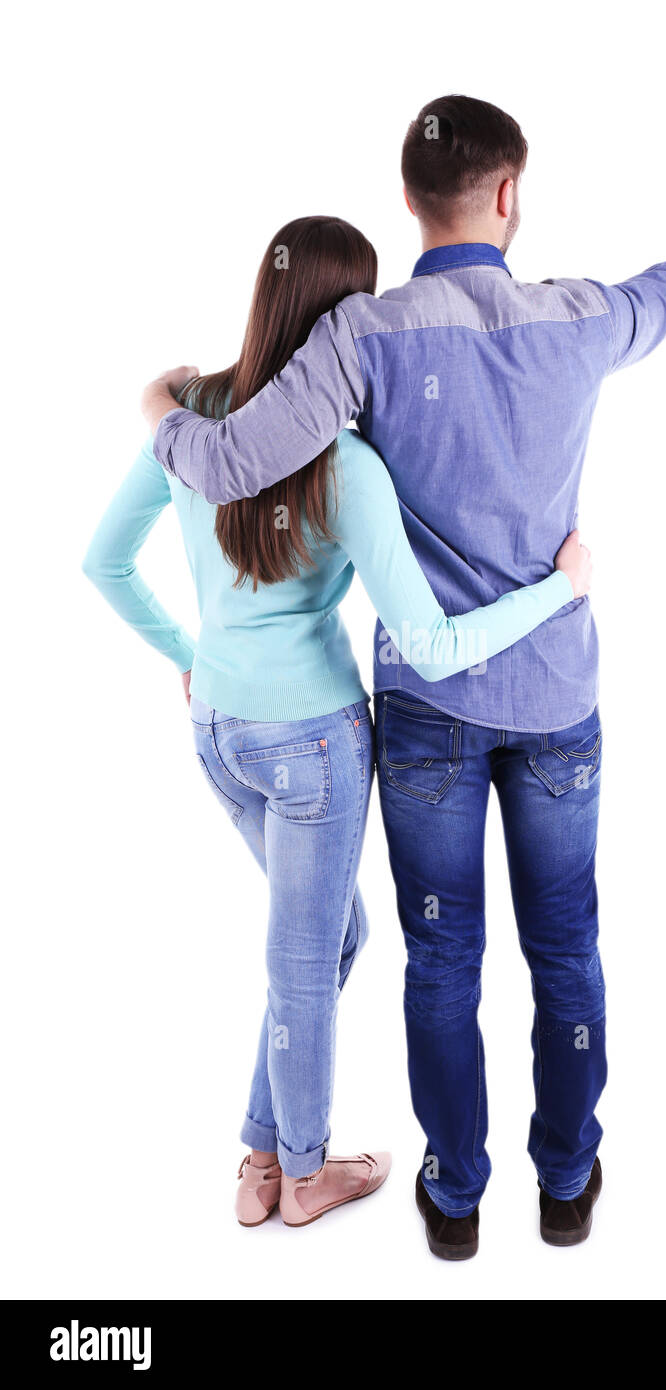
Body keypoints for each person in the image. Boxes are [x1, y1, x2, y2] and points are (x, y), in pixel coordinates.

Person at [140, 96, 666, 1260]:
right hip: (552, 703)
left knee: (441, 958)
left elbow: (228, 460)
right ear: (507, 194)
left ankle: (452, 1194)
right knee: (566, 945)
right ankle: (569, 1178)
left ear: (408, 202)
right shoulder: (579, 315)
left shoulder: (358, 337)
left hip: (424, 717)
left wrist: (160, 411)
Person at [84, 214, 591, 1232]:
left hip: (218, 735)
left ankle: (260, 1154)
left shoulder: (192, 418)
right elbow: (436, 647)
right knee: (310, 957)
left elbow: (103, 562)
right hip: (310, 743)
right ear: (343, 322)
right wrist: (558, 589)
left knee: (329, 934)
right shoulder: (349, 468)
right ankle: (305, 1174)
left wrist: (190, 658)